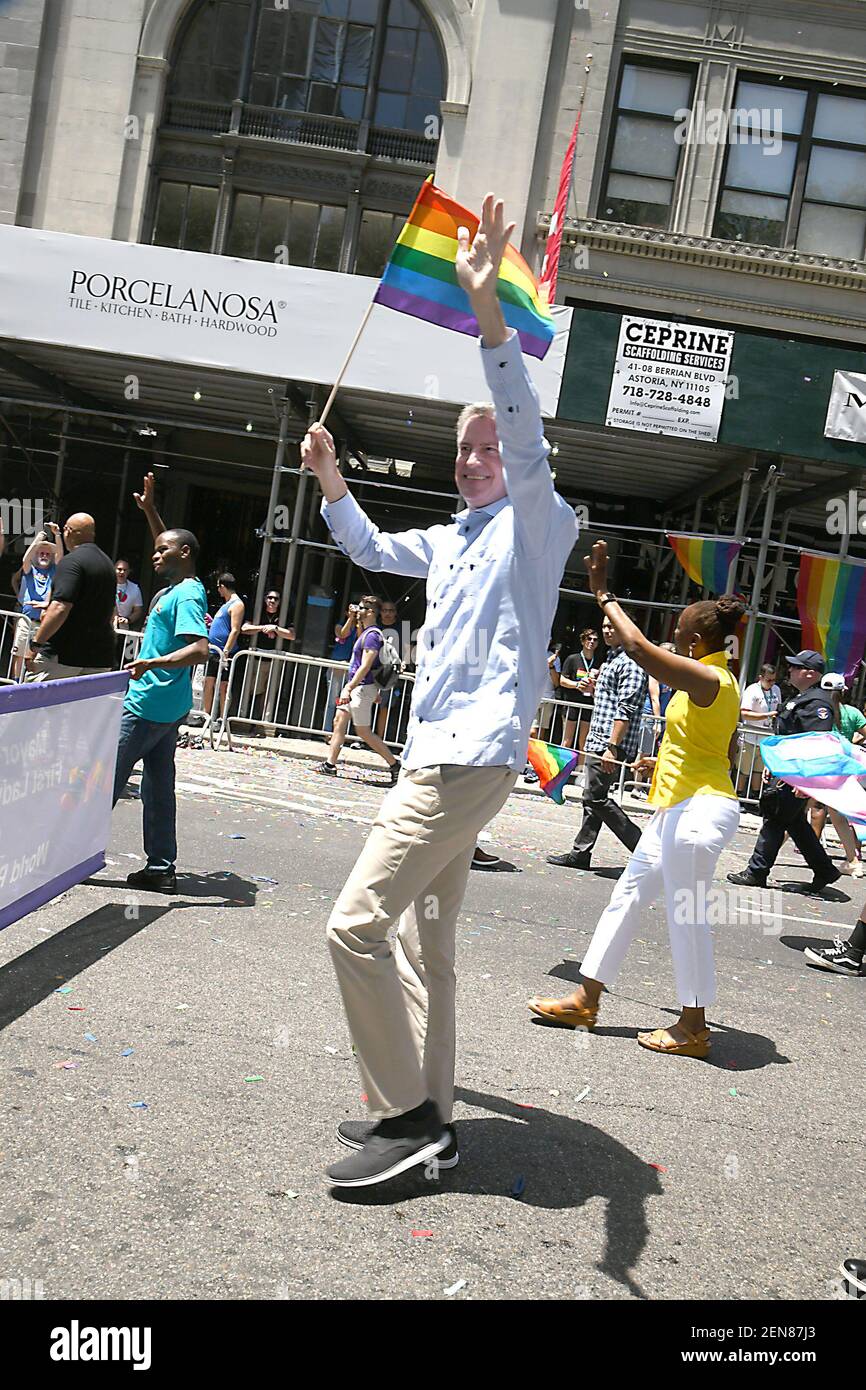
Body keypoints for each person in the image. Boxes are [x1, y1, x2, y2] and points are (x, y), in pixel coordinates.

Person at [301, 194, 578, 1187]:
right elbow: (373, 548)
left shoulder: (536, 526)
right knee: (425, 937)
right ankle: (439, 1113)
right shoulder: (455, 537)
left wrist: (488, 317)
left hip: (465, 758)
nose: (470, 459)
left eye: (485, 449)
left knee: (352, 926)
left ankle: (408, 1112)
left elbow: (519, 422)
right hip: (435, 754)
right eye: (460, 449)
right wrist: (331, 479)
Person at [530, 563, 744, 1058]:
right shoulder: (712, 684)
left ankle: (693, 1027)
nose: (673, 639)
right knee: (624, 898)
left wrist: (605, 594)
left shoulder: (712, 677)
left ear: (692, 641)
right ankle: (585, 999)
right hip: (677, 808)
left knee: (685, 915)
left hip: (698, 812)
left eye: (679, 634)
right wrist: (662, 760)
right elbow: (718, 750)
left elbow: (638, 649)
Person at [113, 476, 210, 892]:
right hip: (167, 710)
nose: (155, 555)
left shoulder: (185, 596)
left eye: (162, 551)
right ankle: (160, 868)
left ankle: (56, 854)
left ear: (184, 554)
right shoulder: (183, 585)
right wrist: (151, 512)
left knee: (103, 781)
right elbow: (170, 545)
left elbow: (201, 650)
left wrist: (156, 660)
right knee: (157, 789)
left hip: (147, 705)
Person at [727, 650, 840, 892]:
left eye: (796, 667)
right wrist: (774, 766)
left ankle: (757, 871)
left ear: (810, 673)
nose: (790, 670)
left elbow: (816, 745)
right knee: (794, 823)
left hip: (796, 774)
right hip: (787, 772)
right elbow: (787, 739)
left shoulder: (816, 703)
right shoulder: (803, 698)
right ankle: (825, 870)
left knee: (775, 819)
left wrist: (804, 781)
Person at [547, 611, 647, 871]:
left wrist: (612, 747)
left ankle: (644, 849)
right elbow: (609, 699)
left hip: (608, 743)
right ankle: (581, 853)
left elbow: (626, 709)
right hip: (599, 738)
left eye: (612, 627)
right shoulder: (612, 659)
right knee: (592, 798)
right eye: (604, 626)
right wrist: (592, 688)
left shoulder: (631, 662)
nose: (607, 631)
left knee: (595, 798)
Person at [316, 594, 401, 782]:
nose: (357, 610)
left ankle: (395, 765)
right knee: (339, 720)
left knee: (363, 732)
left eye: (361, 608)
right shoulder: (366, 632)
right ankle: (330, 764)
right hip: (358, 687)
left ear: (370, 612)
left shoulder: (371, 636)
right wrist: (353, 618)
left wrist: (349, 687)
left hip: (360, 688)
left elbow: (366, 665)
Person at [25, 514, 116, 680]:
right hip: (99, 658)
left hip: (64, 655)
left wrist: (35, 644)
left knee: (35, 703)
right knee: (85, 707)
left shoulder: (71, 562)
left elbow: (60, 607)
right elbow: (110, 610)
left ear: (68, 531)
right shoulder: (108, 565)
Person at [808, 672, 864, 876]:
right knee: (838, 817)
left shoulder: (818, 709)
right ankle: (853, 861)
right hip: (841, 768)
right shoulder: (853, 713)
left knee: (795, 811)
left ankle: (773, 852)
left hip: (818, 764)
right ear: (844, 691)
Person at [11, 524, 63, 679]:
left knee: (38, 658)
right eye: (41, 552)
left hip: (44, 621)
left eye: (48, 553)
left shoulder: (54, 570)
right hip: (26, 620)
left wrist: (58, 535)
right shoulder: (30, 570)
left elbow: (60, 555)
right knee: (19, 653)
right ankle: (15, 684)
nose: (45, 555)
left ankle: (30, 687)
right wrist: (37, 541)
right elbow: (25, 559)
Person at [634, 642, 676, 796]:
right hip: (651, 716)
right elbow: (654, 698)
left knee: (657, 753)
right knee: (644, 751)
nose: (674, 653)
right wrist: (657, 720)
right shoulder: (654, 671)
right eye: (670, 651)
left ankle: (648, 786)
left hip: (663, 718)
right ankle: (636, 787)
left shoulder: (670, 672)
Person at [203, 573, 245, 720]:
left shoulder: (237, 604)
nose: (218, 590)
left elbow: (235, 629)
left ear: (223, 586)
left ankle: (222, 718)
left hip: (225, 652)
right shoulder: (225, 605)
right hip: (213, 650)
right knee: (208, 682)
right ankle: (205, 715)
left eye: (218, 587)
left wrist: (226, 651)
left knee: (224, 686)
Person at [738, 662, 781, 798]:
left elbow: (777, 708)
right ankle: (739, 794)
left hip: (765, 739)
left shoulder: (776, 690)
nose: (771, 683)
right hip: (750, 737)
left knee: (759, 770)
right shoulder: (752, 690)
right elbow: (744, 713)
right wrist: (767, 715)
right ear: (760, 677)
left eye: (774, 680)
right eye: (768, 680)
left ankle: (754, 796)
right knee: (744, 770)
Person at [524, 641, 562, 782]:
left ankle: (535, 768)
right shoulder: (531, 655)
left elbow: (556, 682)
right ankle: (527, 763)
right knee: (531, 732)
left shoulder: (554, 657)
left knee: (540, 734)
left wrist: (551, 665)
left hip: (547, 698)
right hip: (532, 697)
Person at [559, 628, 600, 755]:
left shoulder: (599, 661)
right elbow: (561, 680)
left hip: (588, 704)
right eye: (589, 639)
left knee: (584, 742)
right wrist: (577, 685)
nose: (592, 642)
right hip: (572, 703)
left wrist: (595, 686)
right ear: (583, 641)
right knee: (567, 741)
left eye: (595, 640)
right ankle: (560, 772)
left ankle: (581, 771)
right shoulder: (573, 659)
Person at [324, 602, 362, 734]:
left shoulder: (361, 627)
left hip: (352, 669)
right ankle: (327, 731)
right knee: (332, 701)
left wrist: (358, 621)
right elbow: (342, 634)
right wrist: (350, 618)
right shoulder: (340, 624)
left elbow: (360, 638)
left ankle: (341, 733)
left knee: (347, 704)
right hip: (337, 666)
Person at [375, 597, 403, 743]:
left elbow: (407, 649)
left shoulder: (402, 629)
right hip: (371, 669)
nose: (388, 613)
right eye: (385, 610)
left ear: (395, 613)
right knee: (365, 704)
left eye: (391, 610)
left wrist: (404, 662)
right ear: (380, 612)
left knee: (384, 706)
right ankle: (363, 736)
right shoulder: (374, 627)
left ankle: (379, 739)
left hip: (389, 672)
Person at [114, 559, 144, 631]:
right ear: (114, 569)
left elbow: (138, 611)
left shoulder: (135, 588)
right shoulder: (106, 584)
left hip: (123, 628)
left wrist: (128, 620)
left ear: (129, 572)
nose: (122, 572)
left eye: (125, 570)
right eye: (119, 569)